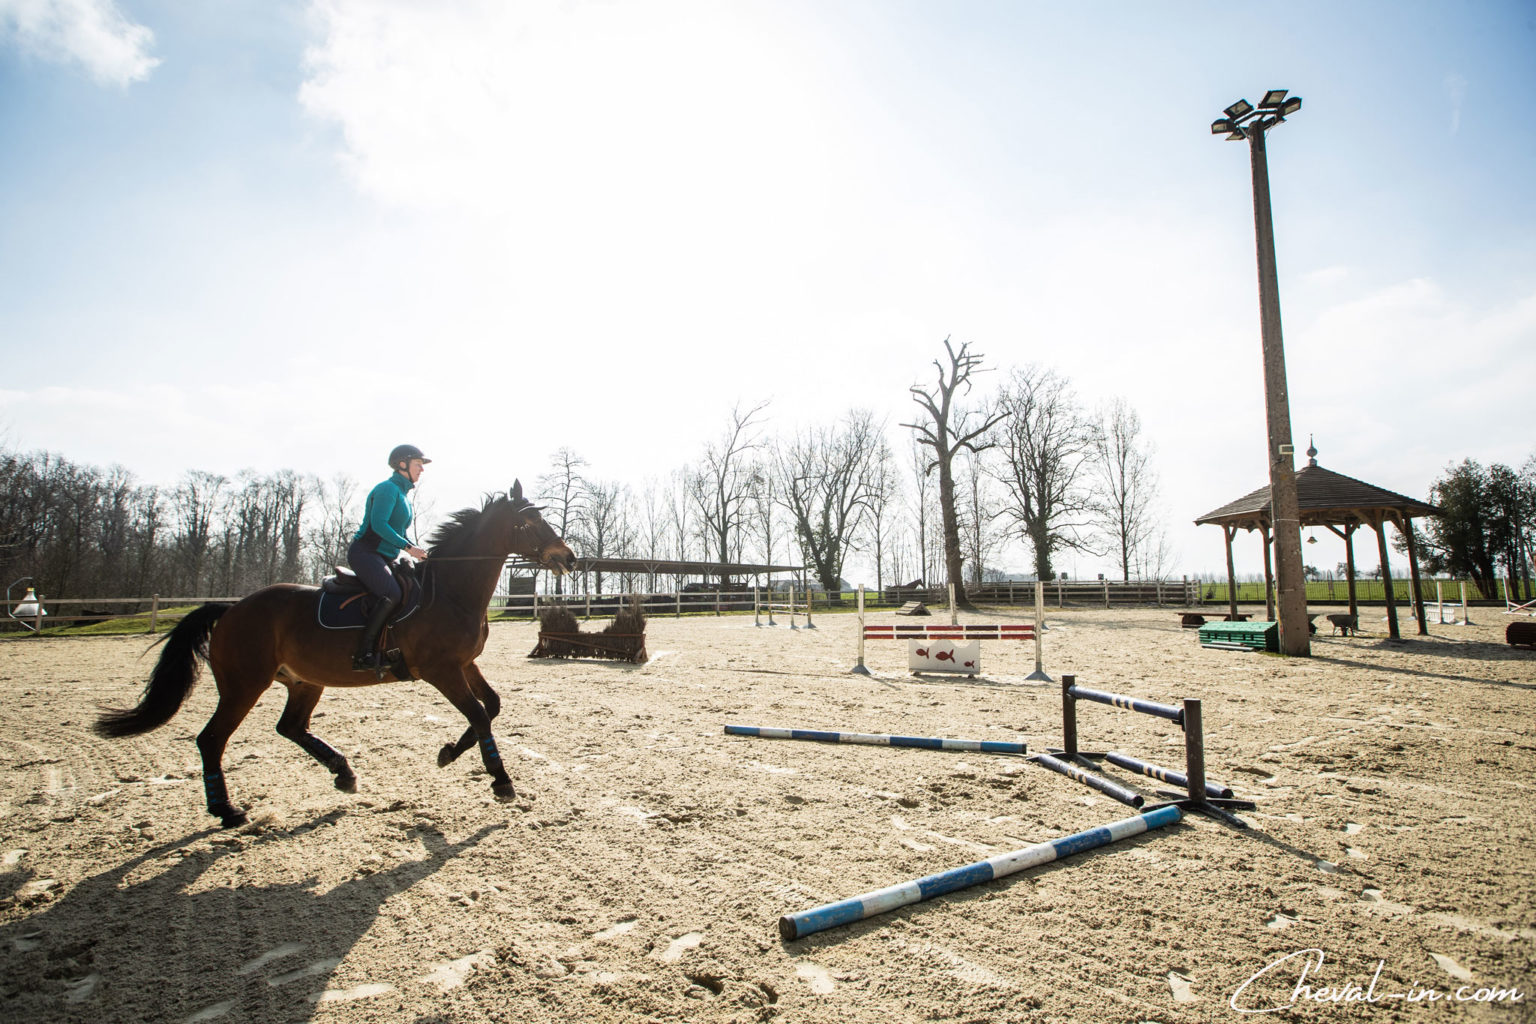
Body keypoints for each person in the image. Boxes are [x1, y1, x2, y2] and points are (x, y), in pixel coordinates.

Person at [348, 444, 430, 671]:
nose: (422, 470)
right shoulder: (386, 489)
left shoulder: (403, 496)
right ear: (402, 464)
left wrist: (416, 550)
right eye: (418, 465)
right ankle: (363, 654)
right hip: (366, 552)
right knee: (391, 593)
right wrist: (407, 547)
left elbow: (400, 532)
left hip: (385, 556)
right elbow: (379, 525)